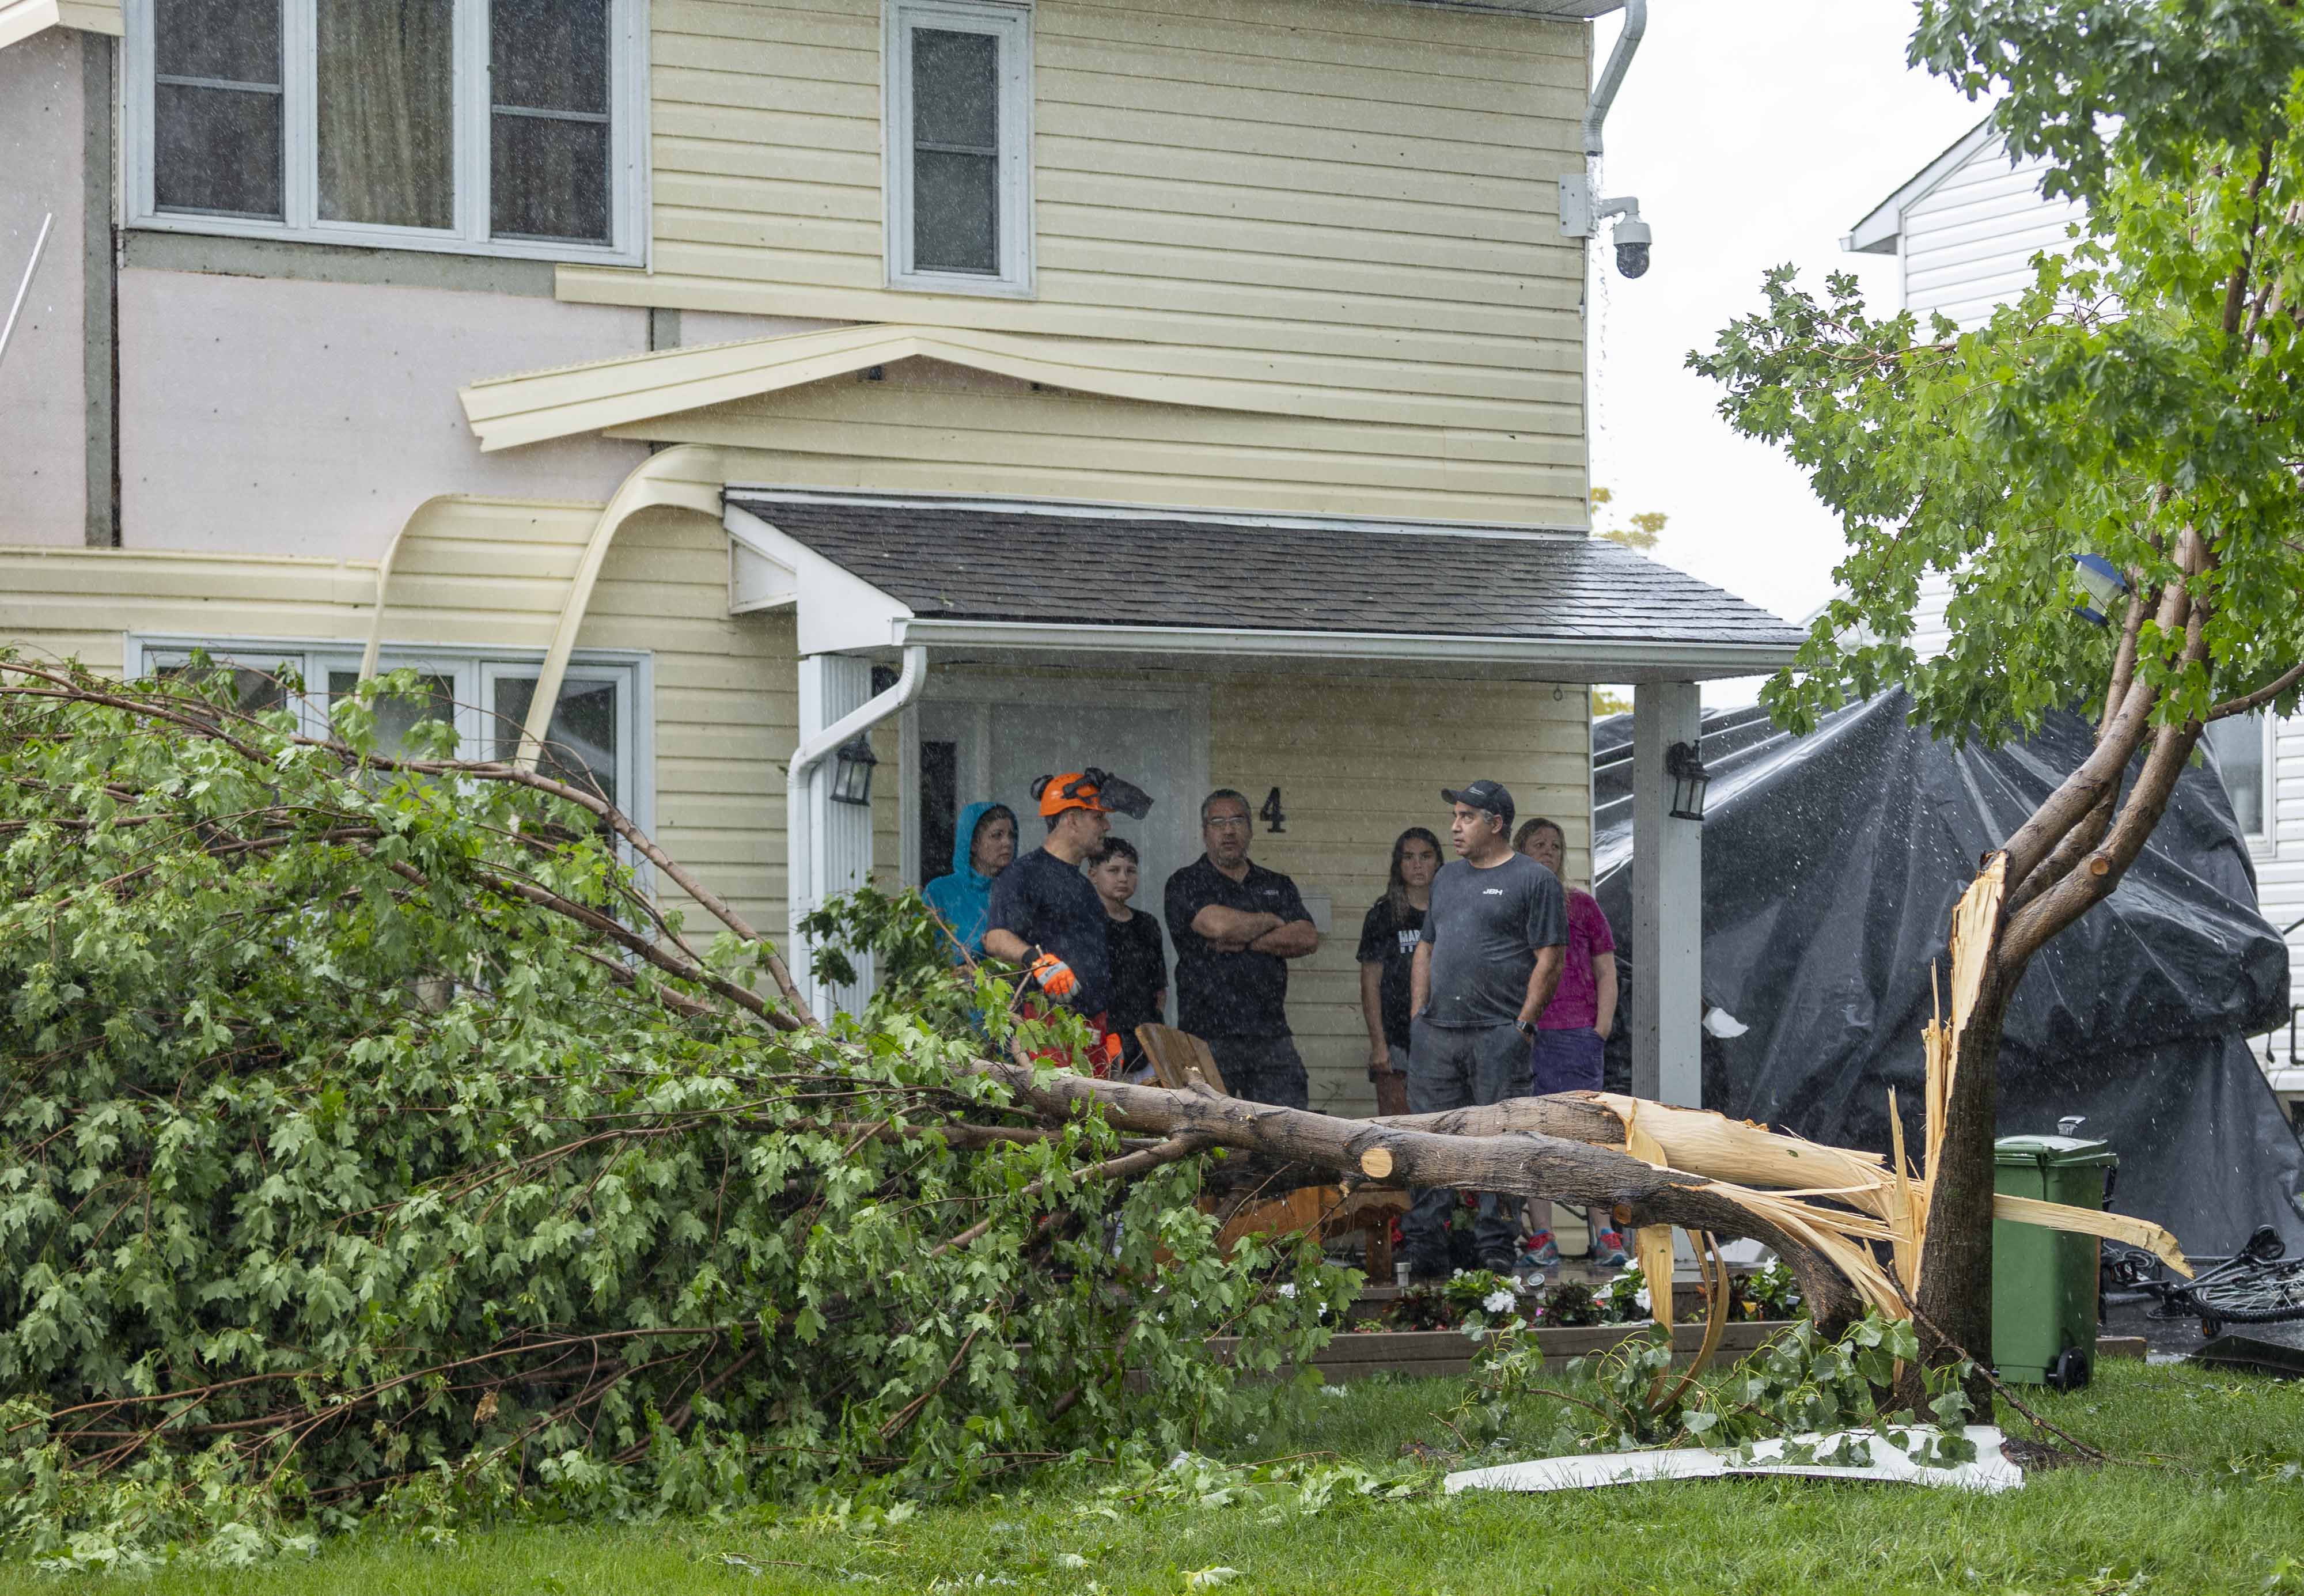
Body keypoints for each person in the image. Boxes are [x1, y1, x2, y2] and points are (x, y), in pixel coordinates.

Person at [1403, 779, 1567, 1280]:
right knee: (1428, 1139)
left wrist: (1523, 1025)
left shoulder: (1534, 880)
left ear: (1496, 824)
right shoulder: (1447, 879)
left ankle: (1495, 1246)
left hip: (1498, 1034)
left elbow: (1550, 957)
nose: (1455, 826)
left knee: (1501, 1143)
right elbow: (1426, 948)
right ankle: (1427, 1245)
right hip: (1437, 1034)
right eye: (1454, 815)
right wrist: (1417, 1018)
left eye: (1466, 817)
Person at [1514, 816, 1628, 1270]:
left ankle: (1604, 1233)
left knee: (1589, 1137)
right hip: (1528, 1037)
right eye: (1538, 844)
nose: (1548, 852)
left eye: (1556, 846)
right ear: (1520, 851)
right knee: (1530, 1138)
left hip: (1578, 1036)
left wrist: (1599, 1029)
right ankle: (1542, 1236)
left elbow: (1607, 973)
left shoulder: (1582, 907)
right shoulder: (1512, 909)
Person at [984, 771, 1149, 1073]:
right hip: (1045, 1023)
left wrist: (1108, 1025)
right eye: (1098, 817)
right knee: (1054, 1116)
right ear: (1072, 819)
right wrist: (1039, 961)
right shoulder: (1023, 874)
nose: (1106, 826)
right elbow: (995, 937)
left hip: (1092, 1029)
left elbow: (1096, 961)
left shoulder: (1085, 887)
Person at [1164, 789, 1320, 1109]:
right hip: (1205, 1035)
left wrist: (1246, 938)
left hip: (1269, 1033)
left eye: (1237, 821)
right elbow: (1216, 926)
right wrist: (1273, 922)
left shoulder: (1277, 883)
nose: (1228, 830)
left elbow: (1306, 937)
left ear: (1250, 828)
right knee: (1206, 1132)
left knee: (1285, 1127)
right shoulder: (1186, 882)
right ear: (1205, 832)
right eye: (1218, 822)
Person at [1358, 827, 1442, 1119]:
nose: (1418, 865)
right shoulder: (1382, 916)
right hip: (1396, 1037)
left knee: (1445, 1125)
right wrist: (1379, 1045)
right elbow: (1370, 984)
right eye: (1409, 857)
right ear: (1398, 864)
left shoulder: (1452, 911)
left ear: (1438, 863)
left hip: (1445, 1036)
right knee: (1397, 1127)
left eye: (1426, 856)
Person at [1088, 837, 1168, 1082]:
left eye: (1130, 871)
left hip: (1146, 1040)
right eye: (1113, 870)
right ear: (1093, 874)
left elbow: (1159, 991)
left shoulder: (1147, 924)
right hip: (1103, 1039)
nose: (1123, 878)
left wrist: (1151, 1034)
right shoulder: (1086, 922)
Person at [921, 801, 1015, 960]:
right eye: (997, 835)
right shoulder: (940, 891)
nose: (1007, 842)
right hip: (956, 984)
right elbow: (925, 955)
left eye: (1011, 836)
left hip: (1013, 983)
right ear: (973, 844)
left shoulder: (1018, 890)